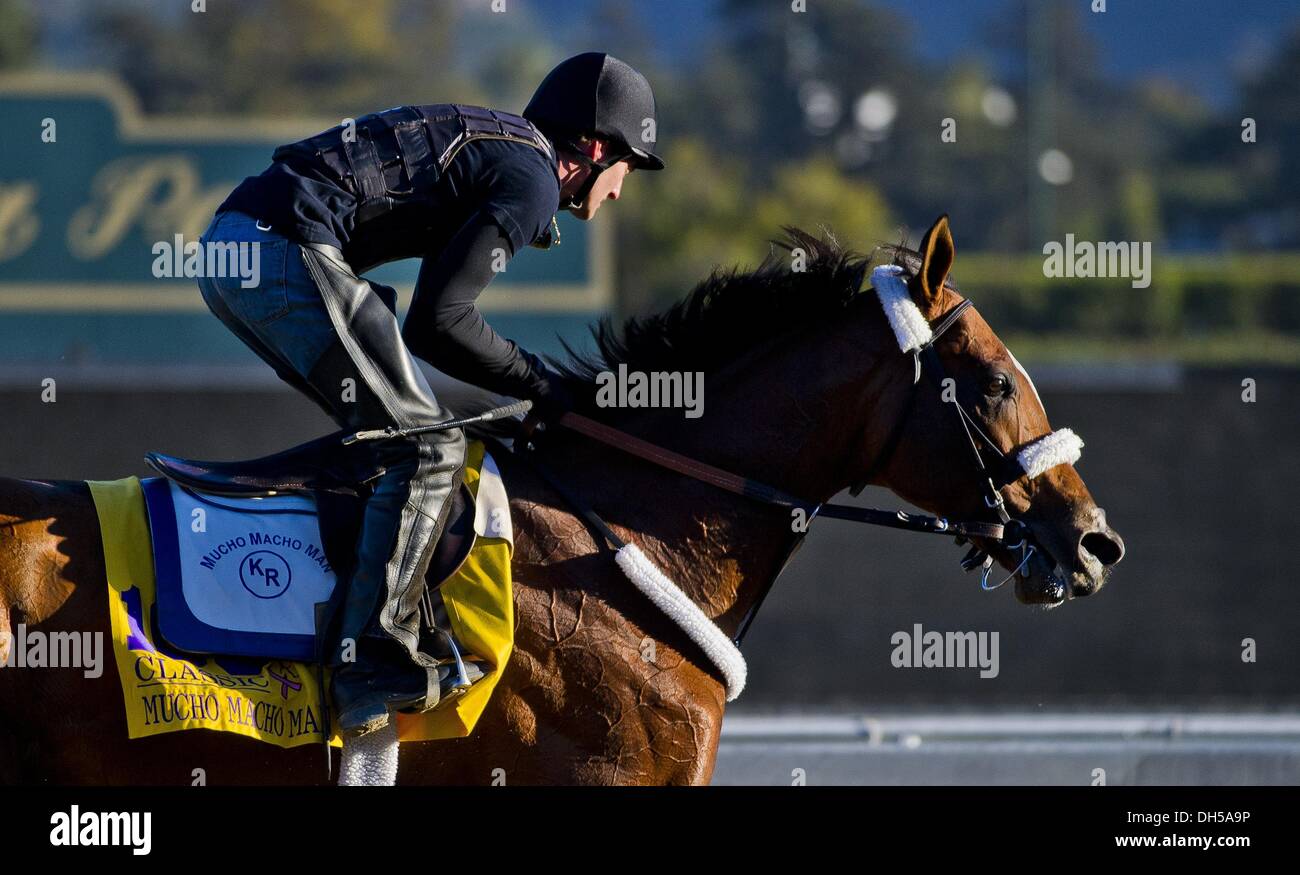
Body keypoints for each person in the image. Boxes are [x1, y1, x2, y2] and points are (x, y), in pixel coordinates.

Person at [195, 52, 665, 738]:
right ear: (595, 149)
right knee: (430, 446)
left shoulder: (506, 149)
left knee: (395, 438)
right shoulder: (531, 177)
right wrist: (545, 387)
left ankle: (347, 623)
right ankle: (373, 663)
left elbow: (430, 324)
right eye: (628, 168)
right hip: (277, 248)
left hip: (234, 249)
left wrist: (532, 391)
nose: (620, 189)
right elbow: (440, 324)